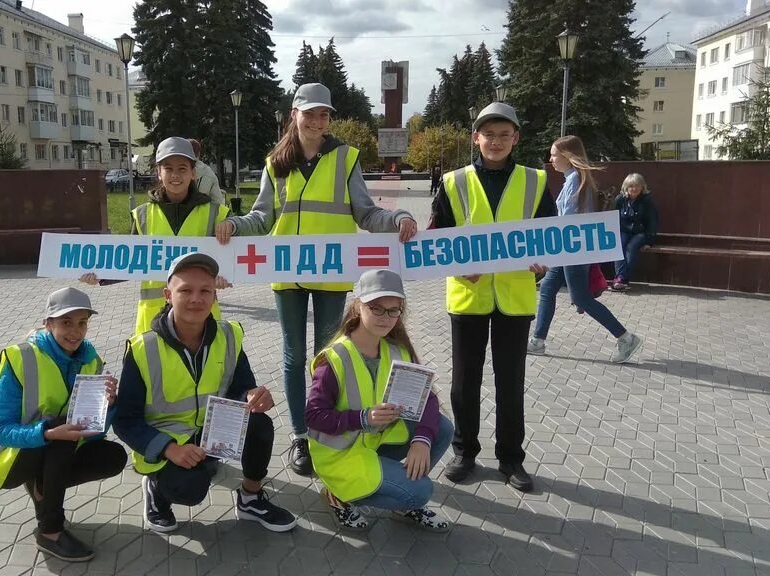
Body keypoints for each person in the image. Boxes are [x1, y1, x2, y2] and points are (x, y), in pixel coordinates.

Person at [215, 83, 418, 476]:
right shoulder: (276, 163)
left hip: (331, 274)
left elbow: (365, 212)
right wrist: (234, 226)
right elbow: (263, 217)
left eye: (324, 114)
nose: (317, 121)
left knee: (327, 358)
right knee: (293, 358)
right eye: (309, 113)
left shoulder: (346, 157)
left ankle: (325, 428)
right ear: (294, 114)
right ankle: (299, 436)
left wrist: (396, 220)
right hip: (287, 273)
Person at [114, 252, 298, 534]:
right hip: (167, 442)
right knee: (191, 489)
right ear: (167, 294)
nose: (196, 299)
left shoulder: (228, 335)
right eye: (185, 290)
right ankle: (156, 490)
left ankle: (250, 498)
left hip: (213, 432)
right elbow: (125, 420)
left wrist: (253, 396)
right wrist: (169, 449)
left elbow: (242, 385)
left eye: (205, 291)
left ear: (215, 296)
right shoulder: (143, 348)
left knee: (260, 424)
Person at [428, 102, 555, 493]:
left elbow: (551, 237)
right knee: (465, 381)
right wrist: (455, 265)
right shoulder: (453, 182)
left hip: (515, 298)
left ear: (515, 138)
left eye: (504, 135)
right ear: (476, 138)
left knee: (510, 380)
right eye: (489, 134)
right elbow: (435, 239)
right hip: (469, 295)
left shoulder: (535, 181)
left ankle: (511, 458)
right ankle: (464, 452)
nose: (496, 142)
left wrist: (546, 262)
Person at [0, 287, 126, 562]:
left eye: (82, 323)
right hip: (9, 459)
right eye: (66, 323)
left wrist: (108, 405)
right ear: (48, 324)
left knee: (114, 456)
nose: (75, 331)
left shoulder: (90, 359)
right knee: (61, 428)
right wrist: (47, 433)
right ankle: (50, 532)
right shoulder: (20, 358)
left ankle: (44, 487)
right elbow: (0, 430)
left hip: (54, 448)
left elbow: (92, 432)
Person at [307, 269, 454, 531]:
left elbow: (428, 399)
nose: (385, 318)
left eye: (393, 310)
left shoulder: (395, 350)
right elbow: (313, 416)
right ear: (357, 306)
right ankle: (339, 495)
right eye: (376, 308)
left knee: (441, 428)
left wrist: (421, 440)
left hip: (374, 442)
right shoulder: (335, 358)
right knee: (420, 491)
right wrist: (362, 418)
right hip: (342, 455)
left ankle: (401, 497)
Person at [81, 136, 230, 336]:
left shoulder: (216, 213)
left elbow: (231, 260)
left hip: (200, 315)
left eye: (182, 168)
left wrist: (225, 276)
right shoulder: (142, 215)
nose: (175, 175)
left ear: (193, 173)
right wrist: (99, 274)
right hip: (154, 319)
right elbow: (130, 259)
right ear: (158, 173)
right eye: (168, 168)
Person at [527, 136, 644, 364]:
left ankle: (625, 337)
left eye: (554, 155)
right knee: (548, 289)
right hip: (569, 249)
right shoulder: (575, 179)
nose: (550, 159)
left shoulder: (576, 182)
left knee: (581, 298)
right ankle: (538, 341)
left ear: (568, 156)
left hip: (574, 249)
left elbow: (568, 220)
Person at [612, 173, 659, 291]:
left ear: (642, 187)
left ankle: (622, 279)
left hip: (640, 232)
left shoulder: (647, 201)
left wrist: (650, 240)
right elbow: (614, 217)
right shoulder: (620, 199)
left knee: (631, 248)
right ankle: (621, 278)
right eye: (631, 186)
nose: (634, 189)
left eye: (637, 186)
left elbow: (652, 221)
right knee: (618, 246)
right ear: (626, 187)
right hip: (624, 230)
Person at [189, 138, 226, 206]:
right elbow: (218, 201)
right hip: (206, 213)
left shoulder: (176, 171)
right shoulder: (208, 172)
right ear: (199, 154)